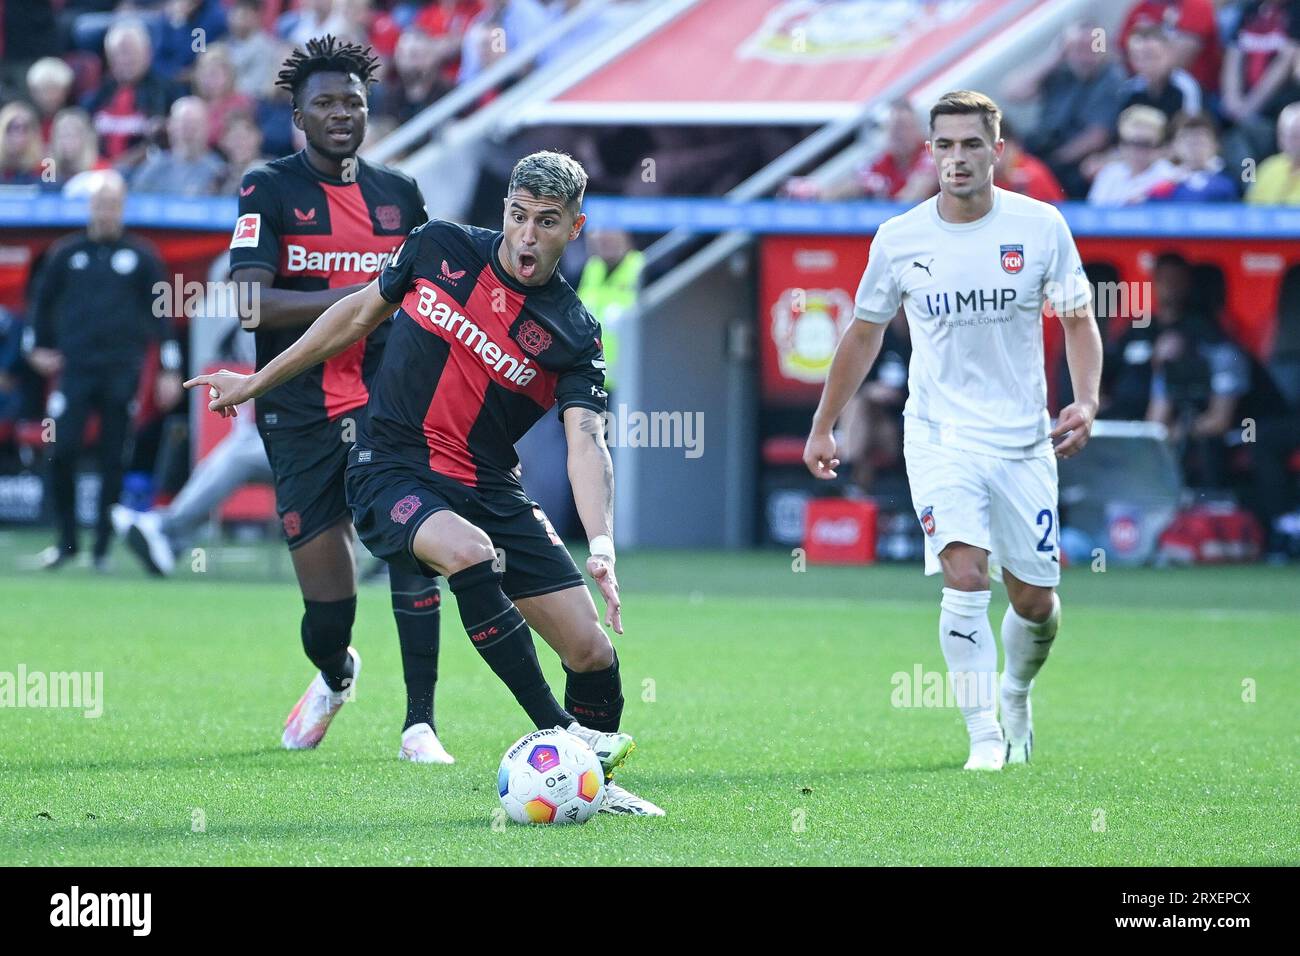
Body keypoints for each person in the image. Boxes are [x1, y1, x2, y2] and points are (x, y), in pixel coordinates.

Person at [189, 149, 665, 816]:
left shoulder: (574, 333)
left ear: (574, 229)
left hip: (491, 487)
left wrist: (604, 545)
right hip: (390, 466)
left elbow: (586, 442)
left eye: (546, 222)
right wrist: (255, 382)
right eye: (519, 216)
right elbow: (352, 318)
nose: (527, 235)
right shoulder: (438, 245)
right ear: (504, 210)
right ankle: (561, 740)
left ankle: (594, 781)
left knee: (591, 650)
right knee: (467, 552)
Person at [803, 91, 1103, 771]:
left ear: (997, 152)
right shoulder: (900, 236)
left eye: (972, 145)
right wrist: (825, 424)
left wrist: (1085, 401)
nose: (958, 158)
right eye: (946, 145)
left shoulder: (1041, 226)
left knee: (1036, 600)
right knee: (964, 573)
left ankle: (1016, 691)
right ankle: (982, 737)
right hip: (939, 434)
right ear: (930, 151)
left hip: (1024, 439)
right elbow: (863, 332)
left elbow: (1079, 320)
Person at [199, 36, 451, 764]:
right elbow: (250, 303)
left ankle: (420, 724)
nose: (342, 114)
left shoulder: (400, 194)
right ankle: (336, 675)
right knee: (328, 610)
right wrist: (367, 296)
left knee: (412, 540)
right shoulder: (267, 188)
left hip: (387, 401)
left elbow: (432, 294)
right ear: (298, 118)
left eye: (354, 102)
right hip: (299, 407)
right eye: (326, 104)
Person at [27, 170, 184, 571]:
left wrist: (169, 369)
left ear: (123, 209)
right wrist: (36, 348)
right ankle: (66, 543)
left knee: (115, 457)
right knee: (62, 450)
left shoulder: (143, 256)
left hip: (122, 372)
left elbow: (162, 315)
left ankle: (100, 549)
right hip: (75, 370)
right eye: (100, 205)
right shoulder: (65, 254)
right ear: (89, 208)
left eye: (113, 205)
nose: (106, 212)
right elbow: (40, 305)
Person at [1003, 19, 1126, 198]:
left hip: (1075, 160)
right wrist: (1054, 56)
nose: (1085, 52)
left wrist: (1052, 161)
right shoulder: (1060, 72)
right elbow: (1012, 92)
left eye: (1091, 45)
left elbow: (1096, 137)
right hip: (1042, 144)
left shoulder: (1110, 78)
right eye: (1078, 46)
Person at [131, 97, 227, 196]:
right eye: (183, 125)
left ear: (207, 128)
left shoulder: (219, 172)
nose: (188, 132)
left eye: (194, 125)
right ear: (170, 127)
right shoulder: (153, 169)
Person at [1088, 105, 1180, 205]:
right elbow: (1093, 212)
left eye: (1145, 144)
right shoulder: (1109, 173)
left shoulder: (1170, 177)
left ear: (1158, 147)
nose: (1137, 151)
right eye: (1131, 143)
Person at [1148, 113, 1240, 200]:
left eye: (1201, 142)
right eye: (1189, 142)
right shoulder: (1162, 180)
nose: (1195, 149)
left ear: (1215, 145)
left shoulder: (1229, 179)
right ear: (1175, 145)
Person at [1245, 101, 1300, 203]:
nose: (1289, 142)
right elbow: (1251, 210)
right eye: (1284, 135)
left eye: (1296, 135)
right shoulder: (1267, 168)